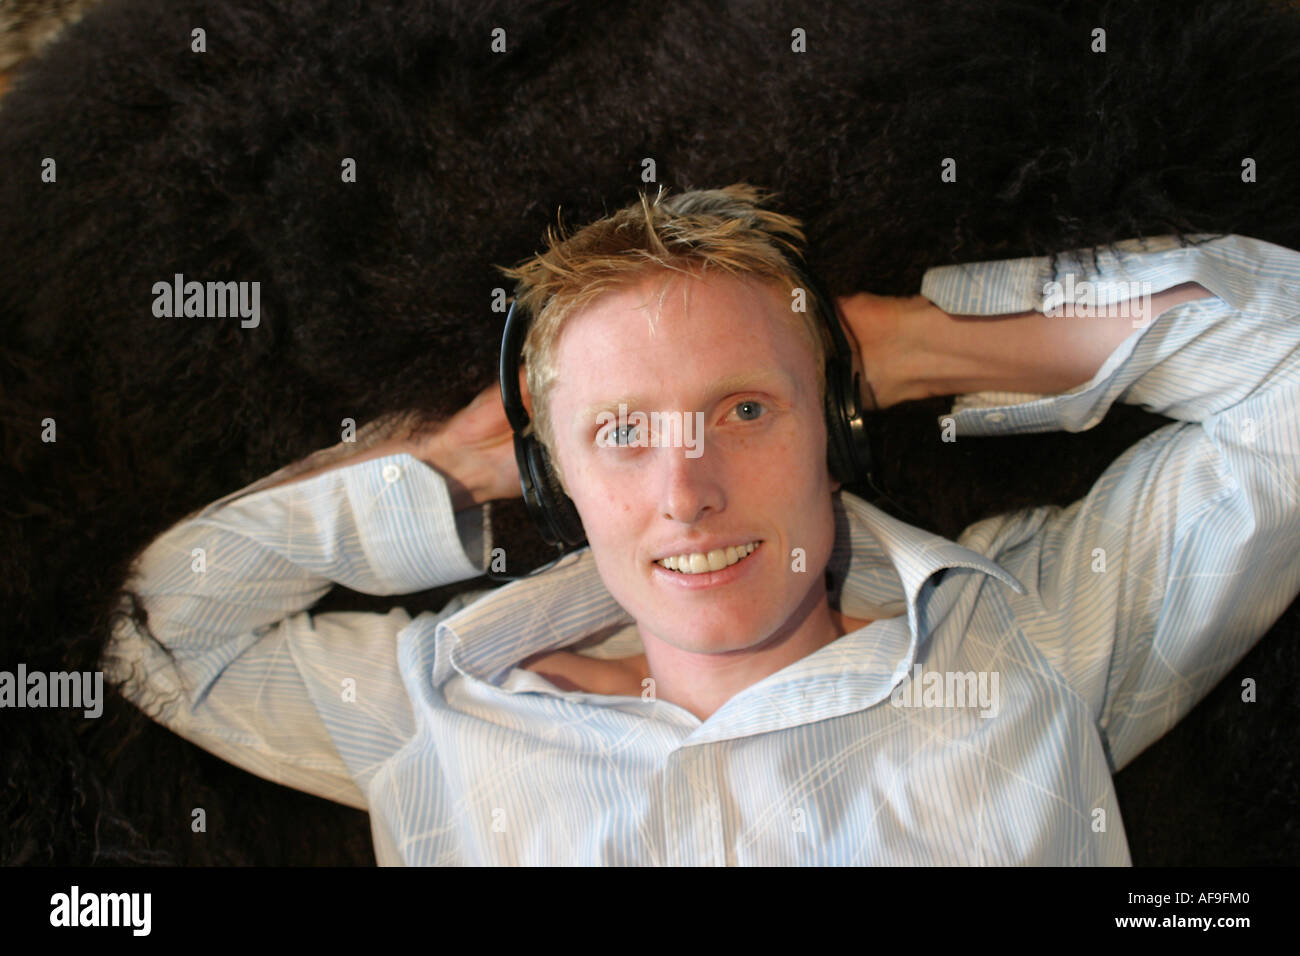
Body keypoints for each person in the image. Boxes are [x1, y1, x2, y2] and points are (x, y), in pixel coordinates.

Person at [104, 184, 1300, 865]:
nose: (686, 491)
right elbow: (164, 633)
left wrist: (926, 344)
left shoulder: (1027, 639)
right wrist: (448, 465)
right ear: (552, 472)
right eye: (621, 431)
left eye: (744, 407)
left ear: (833, 424)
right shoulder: (445, 700)